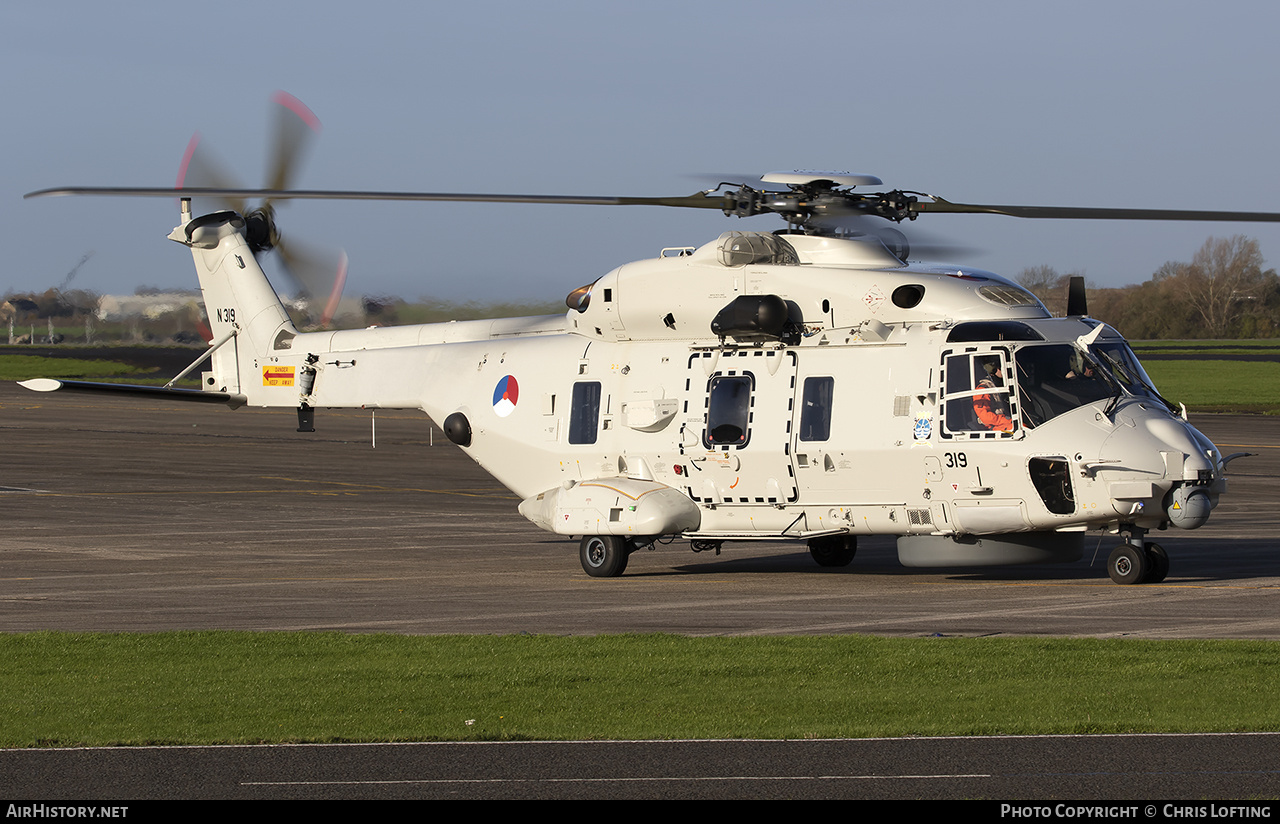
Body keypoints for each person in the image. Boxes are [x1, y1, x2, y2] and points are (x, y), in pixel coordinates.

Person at [973, 360, 1013, 431]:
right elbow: (986, 417)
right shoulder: (982, 389)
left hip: (1001, 423)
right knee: (1014, 429)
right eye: (1000, 368)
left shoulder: (994, 386)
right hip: (995, 428)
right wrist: (1006, 420)